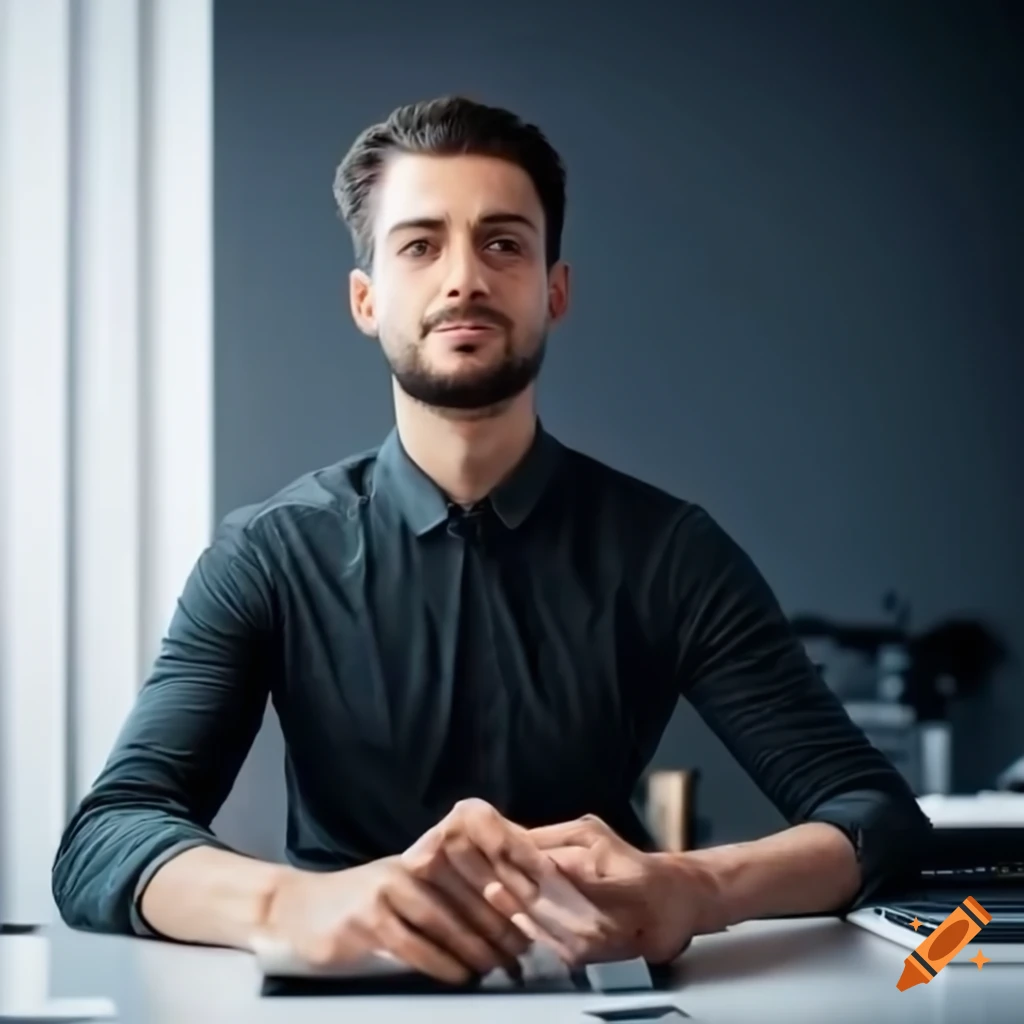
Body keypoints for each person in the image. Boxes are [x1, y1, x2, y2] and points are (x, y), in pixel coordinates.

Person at [52, 95, 933, 985]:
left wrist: (692, 888)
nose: (464, 278)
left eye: (503, 242)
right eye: (420, 245)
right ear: (366, 298)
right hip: (336, 1005)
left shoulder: (671, 552)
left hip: (605, 998)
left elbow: (880, 819)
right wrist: (291, 904)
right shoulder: (266, 556)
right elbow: (108, 834)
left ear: (555, 290)